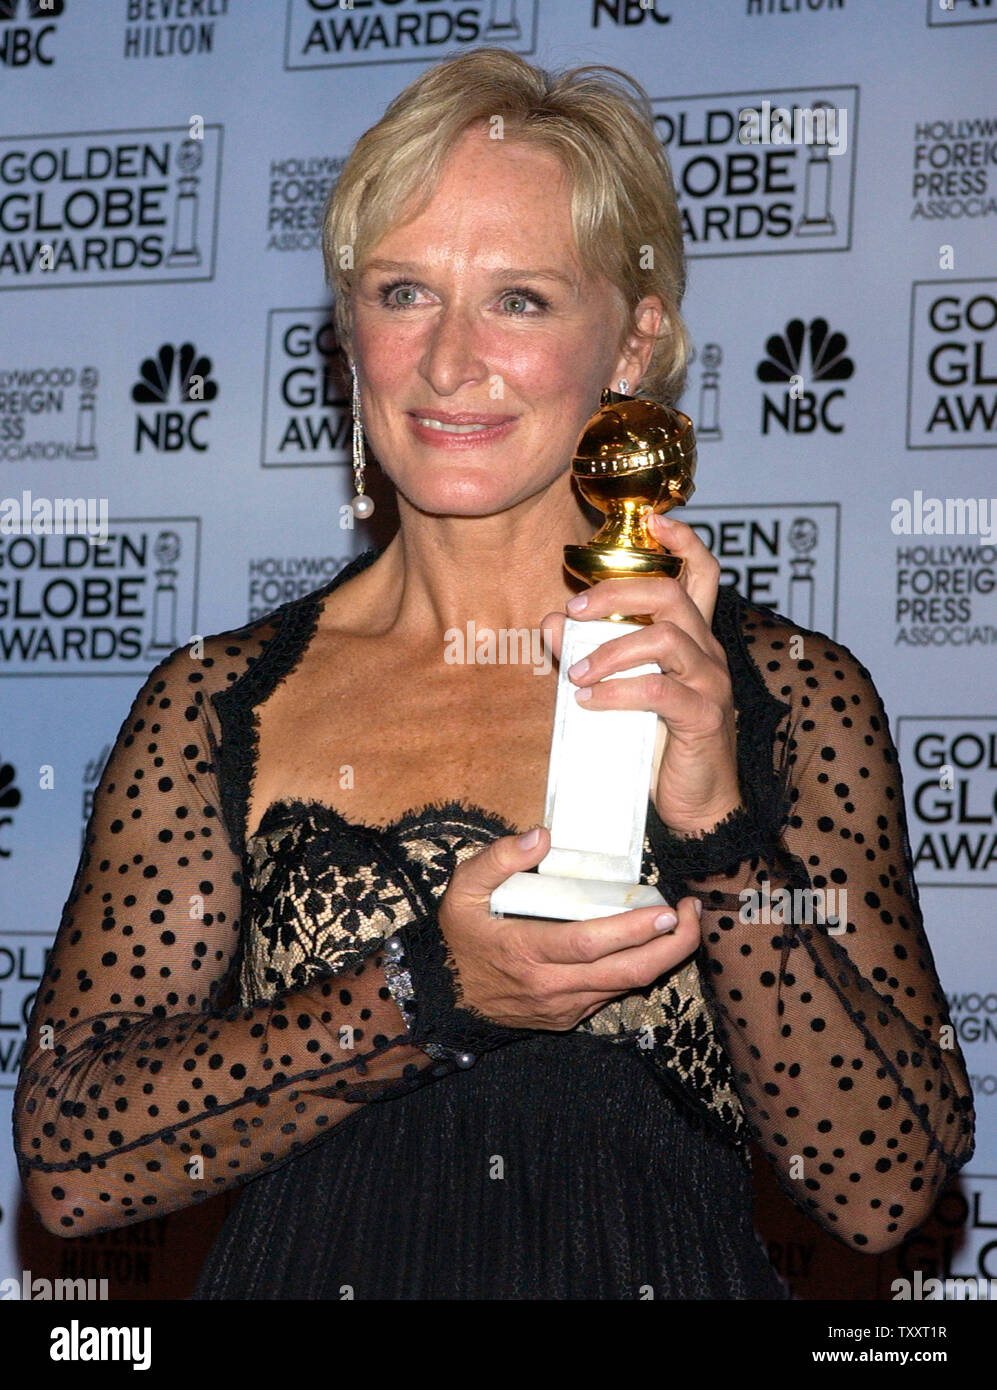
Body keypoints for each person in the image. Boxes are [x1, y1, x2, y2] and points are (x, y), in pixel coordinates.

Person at [13, 49, 974, 1301]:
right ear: (347, 335)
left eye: (519, 299)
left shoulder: (788, 691)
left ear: (633, 341)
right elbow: (76, 1158)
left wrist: (718, 828)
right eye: (404, 291)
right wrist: (432, 994)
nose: (450, 362)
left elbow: (883, 1181)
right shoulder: (219, 703)